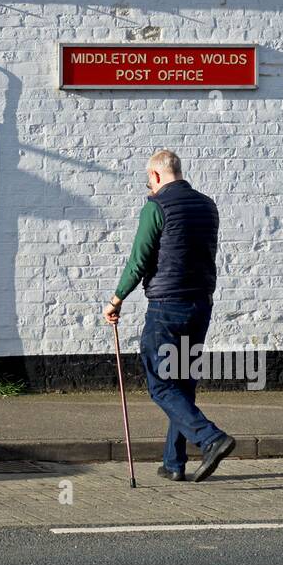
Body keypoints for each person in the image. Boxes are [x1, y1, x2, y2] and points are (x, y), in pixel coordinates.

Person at [103, 149, 236, 483]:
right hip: (200, 304)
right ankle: (173, 463)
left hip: (167, 308)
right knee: (182, 381)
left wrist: (116, 300)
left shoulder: (157, 207)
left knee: (161, 384)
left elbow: (139, 260)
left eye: (149, 180)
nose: (149, 187)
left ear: (157, 175)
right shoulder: (208, 205)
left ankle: (210, 438)